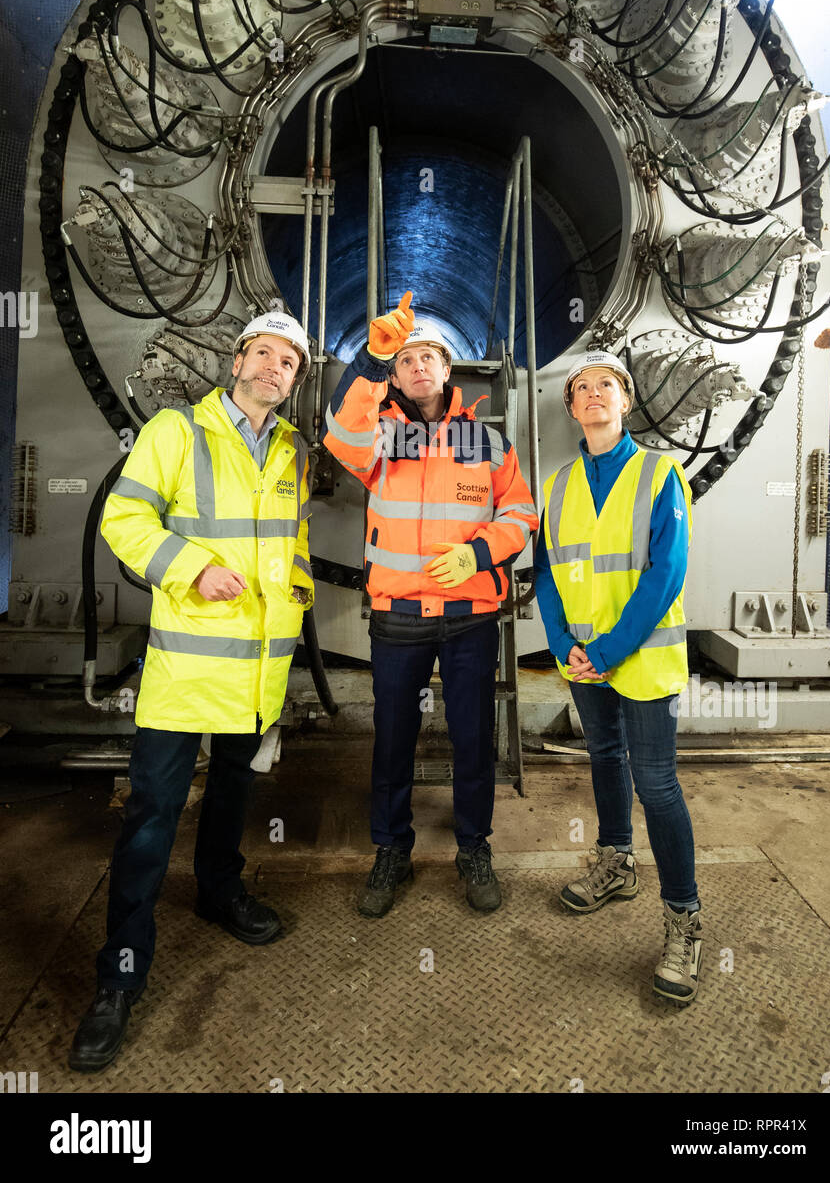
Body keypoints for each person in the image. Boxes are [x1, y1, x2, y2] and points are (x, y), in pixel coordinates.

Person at [69, 311, 315, 1071]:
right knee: (150, 819)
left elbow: (287, 544)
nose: (275, 368)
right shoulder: (178, 431)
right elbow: (125, 517)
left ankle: (218, 889)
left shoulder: (291, 450)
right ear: (237, 360)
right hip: (185, 670)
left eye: (291, 364)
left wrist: (299, 588)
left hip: (257, 671)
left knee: (236, 792)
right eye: (265, 353)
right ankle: (120, 974)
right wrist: (189, 568)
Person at [324, 292, 538, 916]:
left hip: (470, 617)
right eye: (407, 359)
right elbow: (340, 434)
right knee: (393, 741)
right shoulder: (380, 438)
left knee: (473, 741)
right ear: (395, 373)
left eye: (430, 358)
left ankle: (474, 847)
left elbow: (521, 513)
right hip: (398, 619)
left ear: (449, 372)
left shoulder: (487, 442)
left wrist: (479, 554)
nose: (419, 367)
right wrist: (369, 360)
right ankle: (391, 850)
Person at [533, 349, 702, 1004]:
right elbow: (547, 573)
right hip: (584, 659)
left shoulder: (662, 474)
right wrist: (565, 646)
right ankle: (615, 862)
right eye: (582, 387)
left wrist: (607, 649)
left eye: (607, 384)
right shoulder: (562, 485)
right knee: (604, 755)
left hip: (642, 658)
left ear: (625, 401)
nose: (594, 393)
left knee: (657, 785)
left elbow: (666, 573)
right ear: (573, 407)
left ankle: (684, 922)